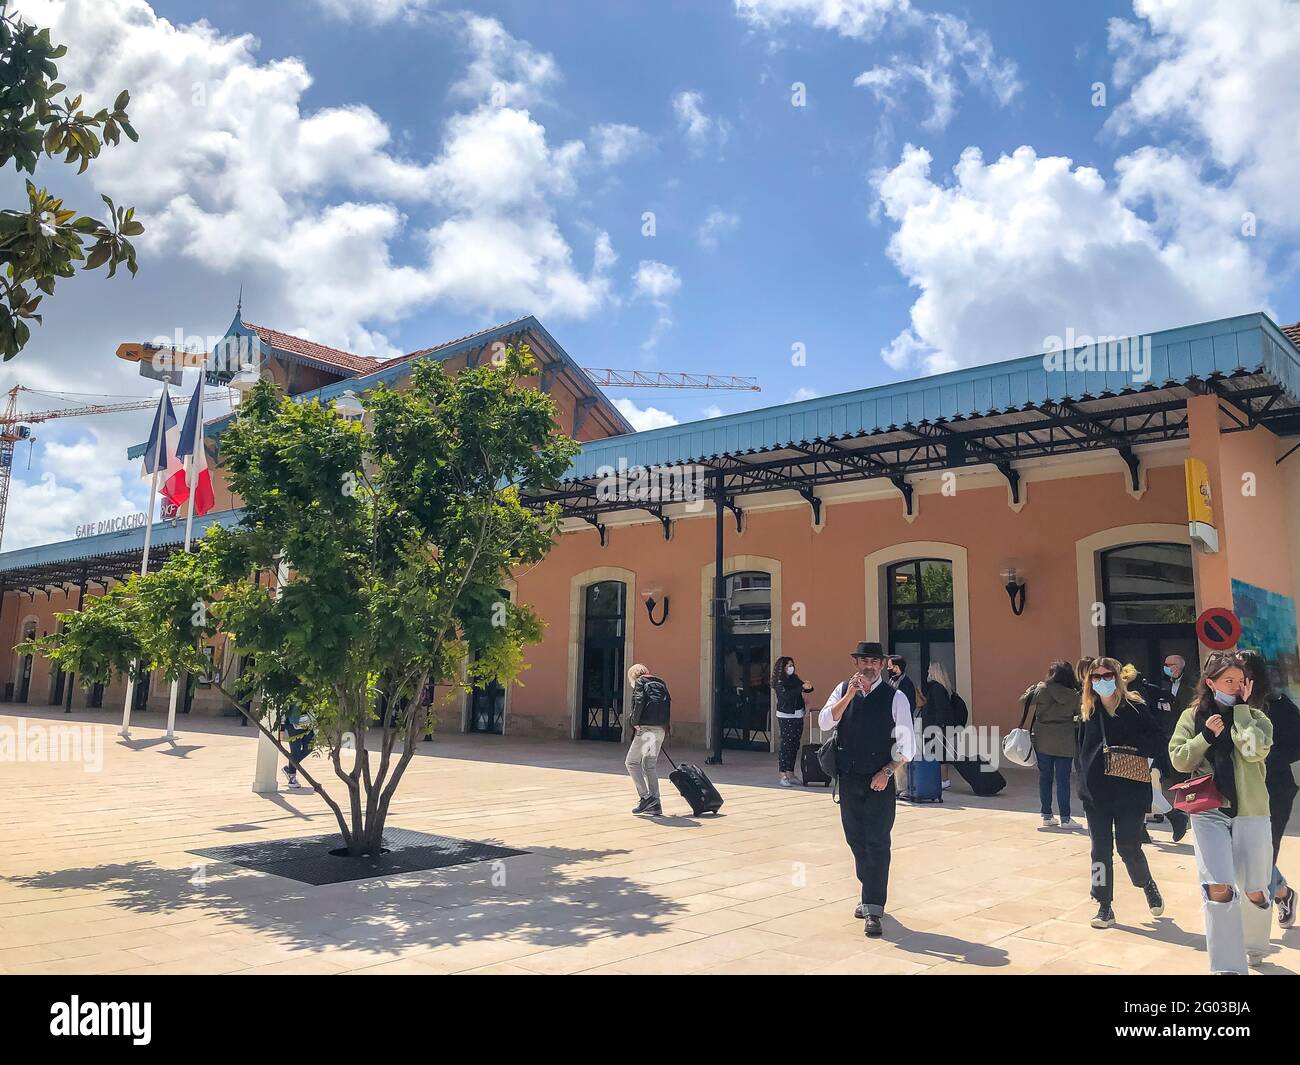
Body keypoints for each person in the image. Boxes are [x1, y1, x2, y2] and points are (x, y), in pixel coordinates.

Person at [1169, 650, 1274, 974]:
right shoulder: (1191, 717)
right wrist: (1204, 737)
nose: (1236, 686)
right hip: (1208, 810)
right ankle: (1228, 967)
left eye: (1241, 681)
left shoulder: (1257, 718)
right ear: (1211, 682)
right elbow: (1179, 759)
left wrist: (1241, 711)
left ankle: (1254, 946)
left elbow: (1253, 751)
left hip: (1251, 811)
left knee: (1255, 888)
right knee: (1218, 888)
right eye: (1229, 680)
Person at [819, 641, 915, 938]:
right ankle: (868, 893)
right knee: (856, 840)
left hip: (879, 780)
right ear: (856, 664)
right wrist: (848, 695)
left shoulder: (895, 698)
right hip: (849, 779)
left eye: (875, 661)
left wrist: (887, 772)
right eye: (864, 661)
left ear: (882, 665)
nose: (869, 666)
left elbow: (908, 747)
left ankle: (873, 908)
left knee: (877, 842)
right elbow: (825, 722)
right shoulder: (842, 691)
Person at [1077, 656, 1167, 929]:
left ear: (1117, 678)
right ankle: (1103, 904)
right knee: (1099, 851)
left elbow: (1157, 741)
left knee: (1128, 846)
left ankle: (1146, 883)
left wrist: (1128, 744)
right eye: (1096, 677)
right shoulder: (1087, 711)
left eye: (1107, 676)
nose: (1101, 681)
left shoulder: (1135, 707)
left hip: (1130, 792)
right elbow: (1080, 751)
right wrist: (1083, 785)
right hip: (1096, 794)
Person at [1239, 651, 1298, 930]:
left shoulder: (1279, 705)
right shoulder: (1229, 706)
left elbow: (1296, 745)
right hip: (1240, 791)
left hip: (1275, 790)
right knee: (1244, 858)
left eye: (1242, 672)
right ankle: (1283, 891)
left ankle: (1255, 933)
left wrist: (1266, 755)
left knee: (1263, 858)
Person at [1022, 660, 1080, 828]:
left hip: (1043, 738)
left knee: (1045, 778)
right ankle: (1066, 818)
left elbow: (1023, 701)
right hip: (1065, 739)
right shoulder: (1074, 694)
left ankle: (1047, 815)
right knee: (1063, 780)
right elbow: (1079, 713)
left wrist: (1032, 688)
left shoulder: (1042, 690)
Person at [626, 663, 671, 817]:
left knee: (632, 762)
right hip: (660, 730)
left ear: (633, 676)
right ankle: (655, 803)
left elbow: (639, 702)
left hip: (647, 730)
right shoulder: (660, 683)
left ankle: (645, 798)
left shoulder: (640, 682)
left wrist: (634, 722)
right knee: (649, 765)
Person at [773, 655, 814, 787]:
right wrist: (801, 688)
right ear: (782, 668)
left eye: (792, 665)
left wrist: (808, 686)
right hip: (786, 715)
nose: (791, 667)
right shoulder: (779, 682)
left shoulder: (794, 679)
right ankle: (783, 775)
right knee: (786, 745)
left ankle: (791, 773)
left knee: (794, 745)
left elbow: (804, 688)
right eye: (788, 665)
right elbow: (787, 695)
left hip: (798, 714)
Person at [917, 661, 954, 791]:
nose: (927, 672)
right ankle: (943, 779)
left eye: (929, 669)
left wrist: (937, 728)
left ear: (934, 672)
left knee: (938, 755)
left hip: (935, 728)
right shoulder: (942, 688)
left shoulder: (936, 688)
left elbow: (939, 709)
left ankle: (943, 780)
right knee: (940, 755)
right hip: (938, 727)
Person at [281, 702, 314, 788]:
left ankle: (290, 768)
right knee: (295, 751)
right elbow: (283, 708)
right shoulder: (290, 695)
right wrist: (282, 728)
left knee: (309, 747)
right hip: (293, 724)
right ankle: (292, 777)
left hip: (308, 723)